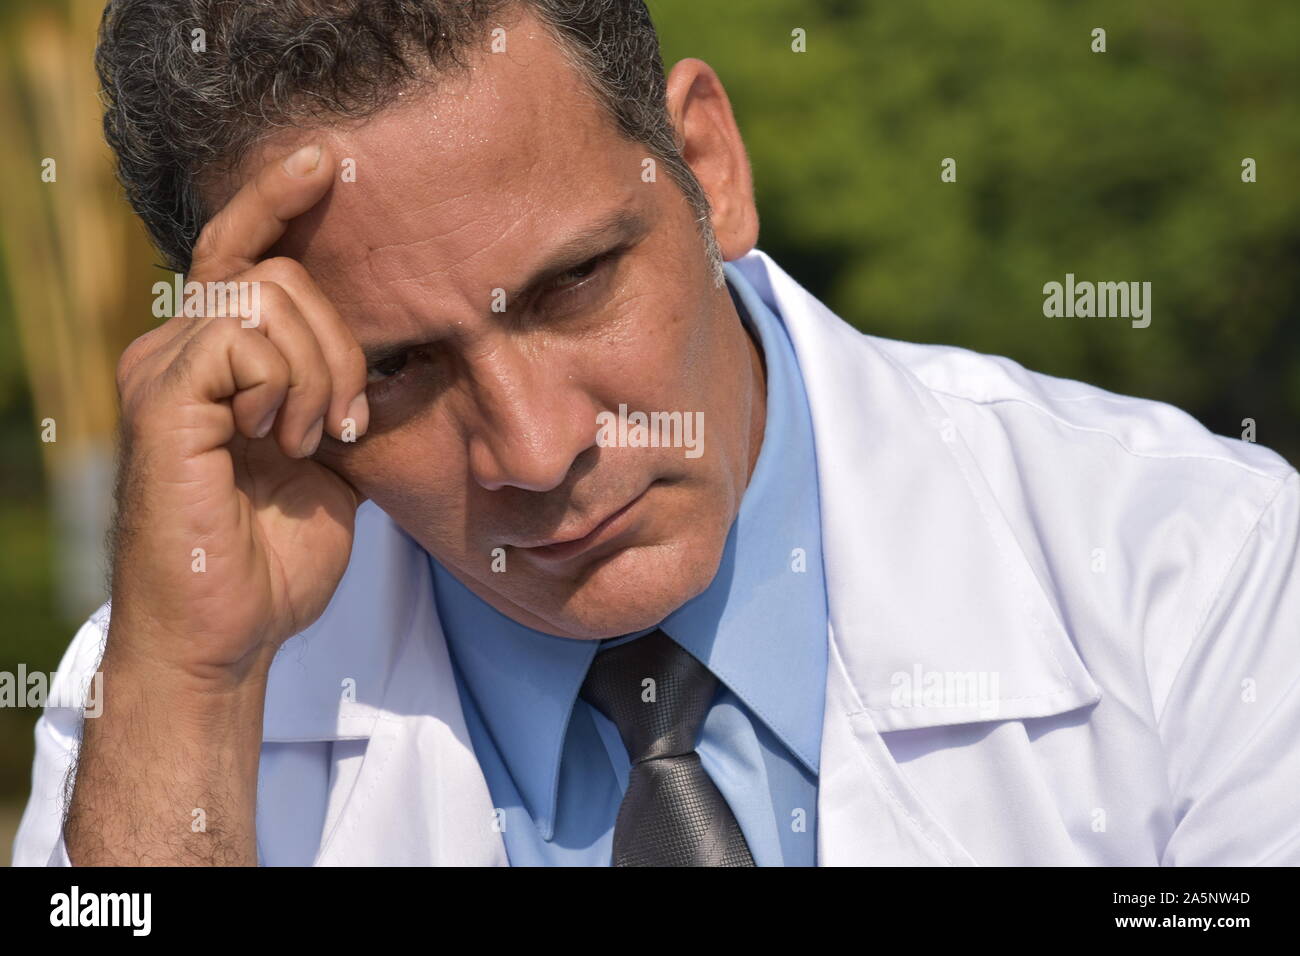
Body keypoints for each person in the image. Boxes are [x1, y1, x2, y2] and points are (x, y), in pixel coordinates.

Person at [14, 0, 1299, 866]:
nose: (530, 445)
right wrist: (190, 690)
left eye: (575, 284)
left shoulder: (1200, 568)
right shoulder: (156, 693)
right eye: (394, 367)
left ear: (709, 163)